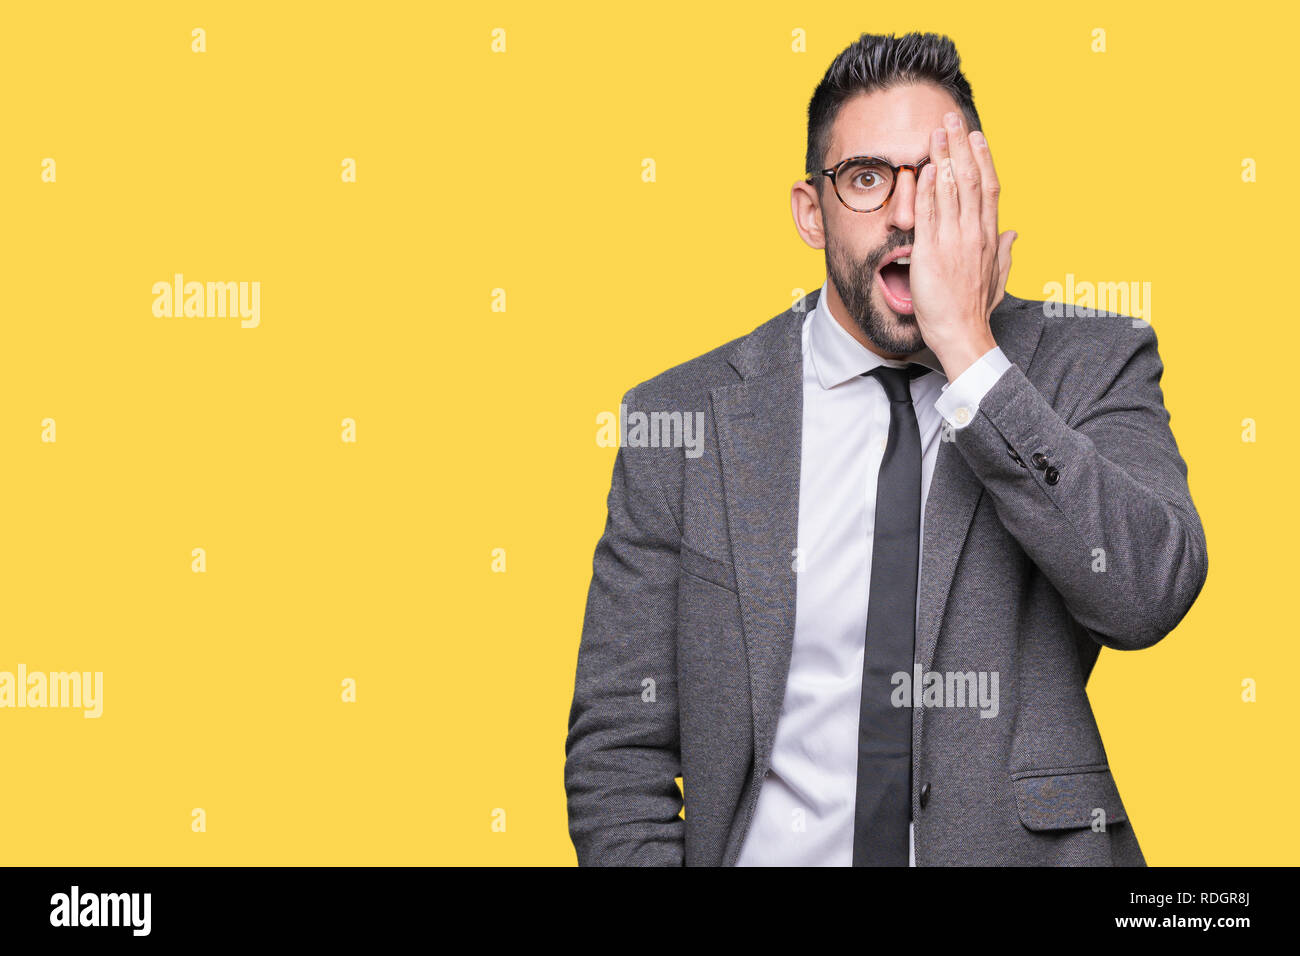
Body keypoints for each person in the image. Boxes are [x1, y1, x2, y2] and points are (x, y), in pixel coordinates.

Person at [564, 31, 1209, 866]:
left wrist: (973, 357)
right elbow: (618, 746)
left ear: (983, 193)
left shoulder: (1089, 360)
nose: (907, 214)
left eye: (938, 180)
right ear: (810, 210)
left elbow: (1147, 594)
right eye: (867, 178)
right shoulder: (683, 419)